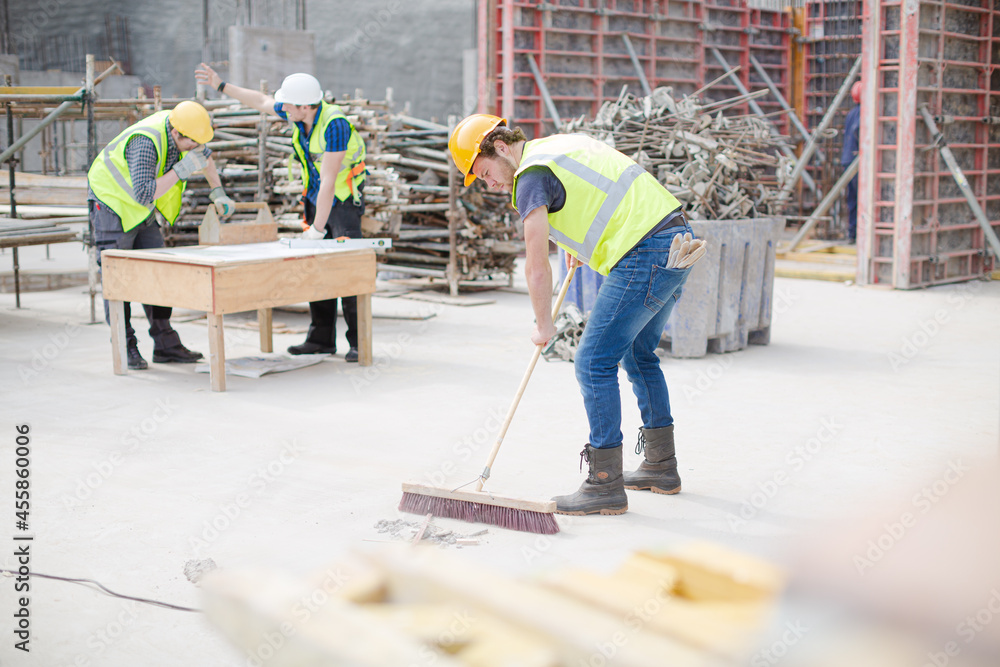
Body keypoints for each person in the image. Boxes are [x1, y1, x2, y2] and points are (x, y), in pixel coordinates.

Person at [449, 115, 705, 516]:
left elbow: (535, 265)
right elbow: (594, 194)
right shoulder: (556, 147)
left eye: (484, 174)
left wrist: (542, 324)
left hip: (643, 251)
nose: (490, 184)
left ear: (499, 148)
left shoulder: (529, 177)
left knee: (592, 362)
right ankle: (660, 465)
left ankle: (604, 485)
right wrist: (578, 239)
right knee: (638, 355)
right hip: (674, 238)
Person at [196, 64, 367, 362]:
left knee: (346, 269)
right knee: (317, 266)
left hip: (341, 201)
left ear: (304, 106)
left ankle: (359, 342)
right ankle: (321, 339)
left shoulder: (335, 124)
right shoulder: (298, 112)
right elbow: (261, 102)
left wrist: (317, 228)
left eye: (287, 104)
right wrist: (221, 85)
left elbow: (329, 181)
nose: (282, 107)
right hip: (316, 199)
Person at [88, 100, 236, 370]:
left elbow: (204, 155)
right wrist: (181, 170)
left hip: (140, 210)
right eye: (191, 144)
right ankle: (125, 346)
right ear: (177, 134)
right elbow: (144, 193)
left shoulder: (185, 124)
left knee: (158, 272)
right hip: (112, 204)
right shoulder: (145, 142)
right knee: (117, 279)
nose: (195, 148)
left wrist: (218, 191)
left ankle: (165, 344)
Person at [842, 81, 862, 243]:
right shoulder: (864, 113)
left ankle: (852, 234)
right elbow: (858, 130)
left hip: (847, 159)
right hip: (857, 160)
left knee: (853, 199)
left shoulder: (851, 113)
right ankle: (859, 234)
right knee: (862, 198)